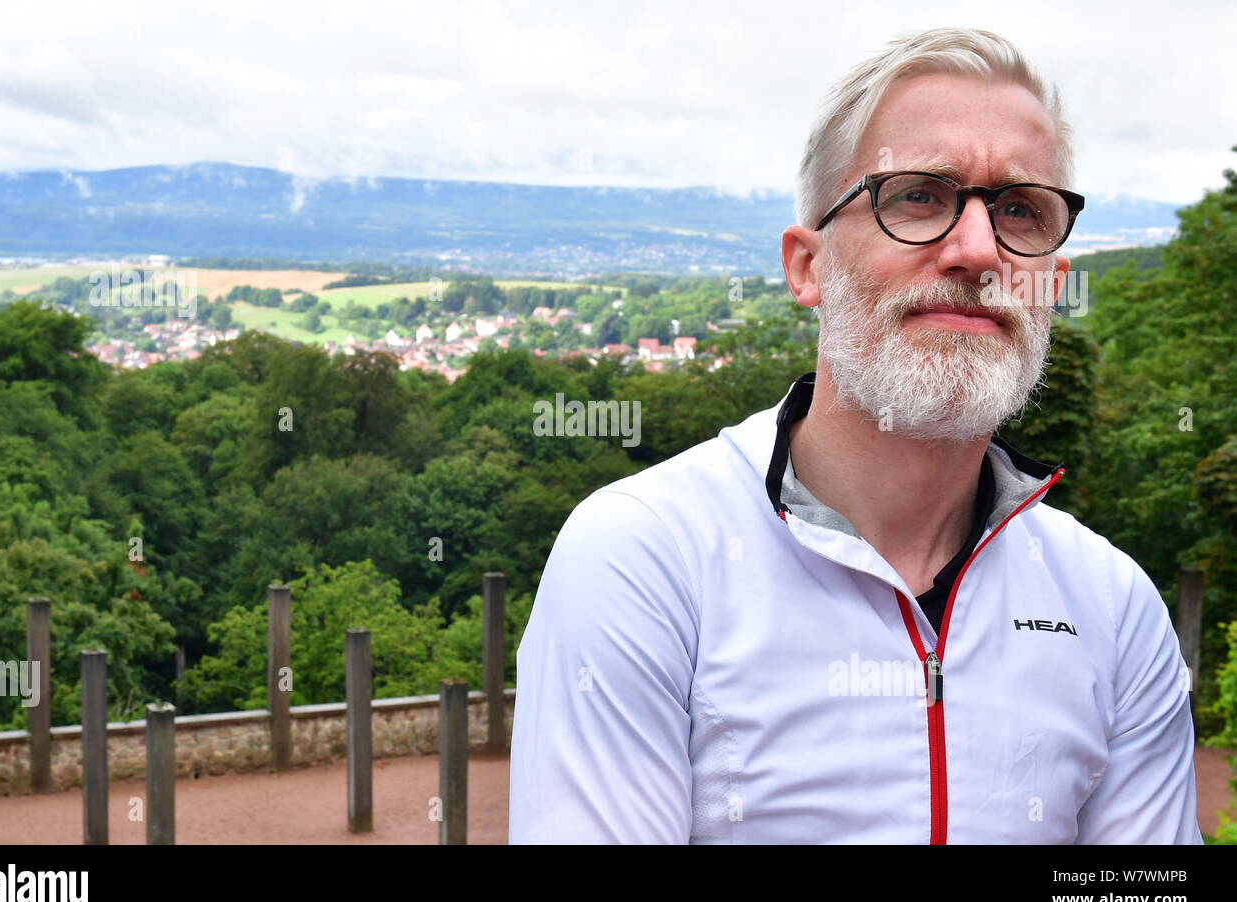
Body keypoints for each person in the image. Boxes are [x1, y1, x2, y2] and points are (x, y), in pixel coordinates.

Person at [508, 27, 1202, 844]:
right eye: (918, 196)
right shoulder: (647, 558)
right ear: (807, 266)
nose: (978, 250)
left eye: (1020, 210)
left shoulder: (1113, 606)